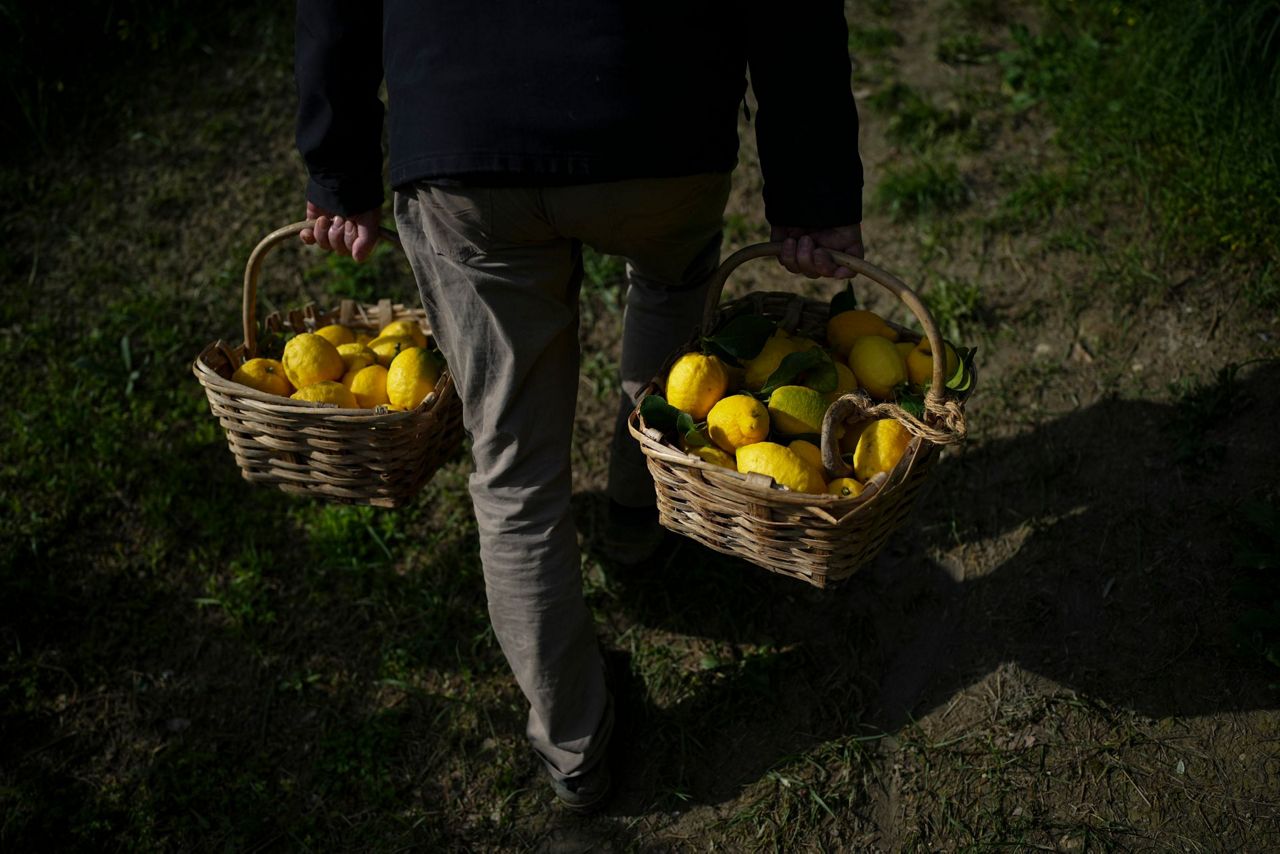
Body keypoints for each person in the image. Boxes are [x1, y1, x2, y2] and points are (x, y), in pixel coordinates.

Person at [294, 0, 864, 811]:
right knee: (672, 290)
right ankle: (642, 515)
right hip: (657, 118)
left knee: (515, 466)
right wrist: (815, 185)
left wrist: (337, 168)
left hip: (466, 135)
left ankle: (574, 742)